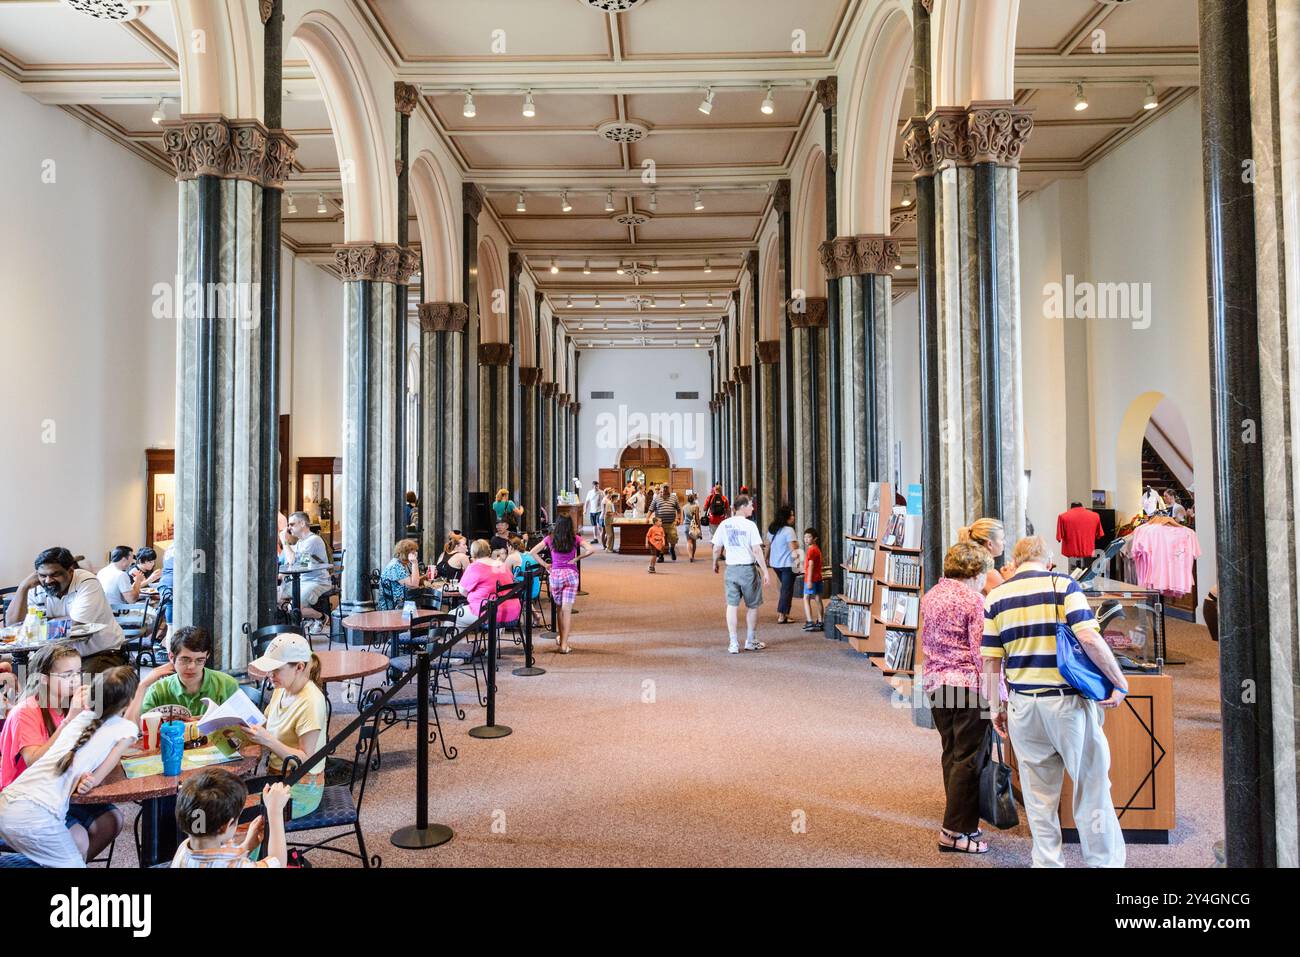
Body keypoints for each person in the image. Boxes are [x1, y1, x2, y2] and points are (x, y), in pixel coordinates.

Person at [982, 536, 1129, 868]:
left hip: (1023, 706)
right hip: (1066, 706)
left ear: (1016, 562)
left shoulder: (996, 596)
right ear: (1047, 561)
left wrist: (995, 708)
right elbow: (1089, 637)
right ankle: (1102, 862)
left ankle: (1047, 863)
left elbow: (991, 662)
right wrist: (1119, 682)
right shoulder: (1062, 585)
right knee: (1091, 789)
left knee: (1038, 798)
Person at [0, 666, 141, 868]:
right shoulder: (127, 729)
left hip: (7, 804)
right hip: (36, 815)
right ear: (129, 701)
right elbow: (99, 776)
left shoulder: (79, 718)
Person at [920, 542, 995, 854]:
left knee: (952, 754)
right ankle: (952, 833)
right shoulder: (974, 601)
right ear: (974, 572)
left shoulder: (931, 596)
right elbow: (981, 654)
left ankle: (964, 823)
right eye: (984, 574)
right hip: (967, 686)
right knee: (969, 759)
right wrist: (997, 696)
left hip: (937, 684)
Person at [242, 633, 327, 819]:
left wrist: (269, 741)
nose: (270, 675)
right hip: (277, 778)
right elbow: (264, 723)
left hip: (301, 789)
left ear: (299, 667)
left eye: (276, 670)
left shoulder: (310, 702)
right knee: (225, 802)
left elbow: (306, 760)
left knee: (239, 816)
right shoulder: (281, 689)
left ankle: (263, 848)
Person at [5, 547, 126, 674]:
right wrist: (23, 587)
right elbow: (13, 625)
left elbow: (75, 624)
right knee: (28, 682)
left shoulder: (87, 581)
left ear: (70, 571)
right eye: (42, 575)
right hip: (57, 655)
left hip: (99, 652)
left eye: (55, 574)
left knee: (86, 689)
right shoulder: (36, 587)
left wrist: (39, 622)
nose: (48, 581)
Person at [172, 769, 291, 868]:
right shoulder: (238, 865)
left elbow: (215, 859)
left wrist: (246, 847)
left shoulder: (184, 849)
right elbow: (278, 863)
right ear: (227, 826)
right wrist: (275, 811)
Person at [712, 495, 771, 654]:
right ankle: (750, 640)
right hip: (747, 570)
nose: (753, 508)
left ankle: (733, 643)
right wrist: (765, 571)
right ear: (743, 507)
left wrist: (715, 562)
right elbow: (757, 550)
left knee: (732, 606)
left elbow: (717, 548)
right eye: (751, 505)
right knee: (752, 606)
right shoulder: (750, 525)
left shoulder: (724, 524)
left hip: (731, 569)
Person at [140, 626, 240, 716]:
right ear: (171, 657)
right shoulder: (157, 690)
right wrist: (142, 686)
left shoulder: (227, 685)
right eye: (185, 659)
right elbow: (138, 728)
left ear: (207, 656)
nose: (192, 667)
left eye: (200, 660)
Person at [530, 516, 594, 655]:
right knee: (567, 610)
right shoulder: (574, 538)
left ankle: (561, 638)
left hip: (556, 575)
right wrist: (576, 559)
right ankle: (564, 644)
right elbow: (591, 549)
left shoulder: (550, 538)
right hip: (571, 574)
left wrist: (545, 564)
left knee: (559, 609)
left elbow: (533, 552)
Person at [277, 511, 331, 629]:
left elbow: (293, 561)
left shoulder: (314, 540)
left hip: (317, 581)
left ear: (302, 523)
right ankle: (306, 618)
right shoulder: (300, 542)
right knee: (277, 599)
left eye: (291, 524)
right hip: (300, 581)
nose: (289, 527)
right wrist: (281, 575)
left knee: (295, 608)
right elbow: (295, 564)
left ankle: (321, 617)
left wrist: (284, 540)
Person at [455, 540, 521, 629]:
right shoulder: (502, 565)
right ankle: (495, 637)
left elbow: (462, 590)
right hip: (513, 613)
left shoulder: (475, 567)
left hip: (490, 615)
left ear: (473, 553)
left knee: (452, 616)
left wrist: (473, 594)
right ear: (489, 551)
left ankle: (457, 642)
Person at [957, 518, 1014, 594]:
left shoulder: (972, 567)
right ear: (990, 544)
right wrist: (1011, 578)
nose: (1004, 543)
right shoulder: (989, 573)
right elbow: (1008, 600)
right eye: (1002, 539)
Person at [767, 505, 798, 624]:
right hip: (787, 565)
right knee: (786, 589)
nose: (793, 517)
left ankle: (784, 613)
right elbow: (793, 550)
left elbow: (768, 545)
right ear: (787, 517)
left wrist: (765, 558)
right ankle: (782, 614)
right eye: (792, 515)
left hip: (775, 564)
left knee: (786, 588)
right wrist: (799, 564)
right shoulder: (789, 530)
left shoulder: (772, 529)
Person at [378, 538, 426, 611]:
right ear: (406, 553)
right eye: (414, 552)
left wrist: (425, 577)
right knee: (428, 602)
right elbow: (414, 585)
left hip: (402, 602)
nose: (416, 554)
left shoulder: (402, 564)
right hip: (395, 607)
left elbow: (411, 580)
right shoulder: (395, 566)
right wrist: (414, 562)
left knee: (425, 597)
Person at [801, 528, 825, 631]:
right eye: (805, 537)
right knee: (818, 598)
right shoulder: (816, 549)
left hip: (811, 578)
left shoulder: (811, 550)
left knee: (806, 598)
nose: (806, 539)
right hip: (818, 577)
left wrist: (809, 580)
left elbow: (811, 565)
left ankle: (810, 621)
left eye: (809, 537)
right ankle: (820, 621)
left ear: (815, 538)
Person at [653, 485, 681, 561]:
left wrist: (678, 519)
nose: (665, 489)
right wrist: (647, 518)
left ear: (669, 489)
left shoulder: (674, 497)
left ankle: (672, 549)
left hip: (671, 523)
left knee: (673, 539)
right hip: (660, 524)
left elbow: (678, 509)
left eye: (666, 487)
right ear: (661, 489)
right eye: (663, 487)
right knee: (661, 541)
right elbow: (651, 508)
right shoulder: (657, 498)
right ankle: (661, 556)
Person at [682, 492, 703, 562]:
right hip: (694, 526)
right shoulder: (696, 507)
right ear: (693, 499)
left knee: (688, 541)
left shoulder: (684, 507)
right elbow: (697, 518)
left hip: (686, 525)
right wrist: (699, 527)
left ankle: (690, 556)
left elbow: (683, 518)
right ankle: (692, 556)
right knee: (694, 542)